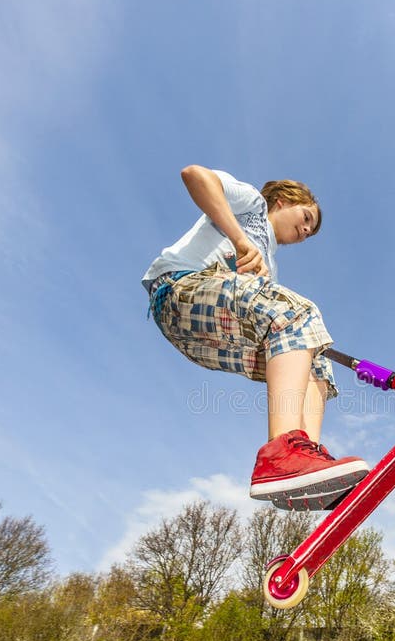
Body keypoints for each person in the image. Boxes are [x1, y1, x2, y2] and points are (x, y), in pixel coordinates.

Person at [142, 165, 368, 508]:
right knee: (300, 313)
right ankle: (283, 451)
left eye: (311, 230)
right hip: (180, 290)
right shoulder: (253, 206)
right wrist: (239, 237)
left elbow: (286, 338)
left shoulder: (270, 265)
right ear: (282, 201)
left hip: (202, 335)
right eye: (306, 217)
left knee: (315, 359)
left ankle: (307, 462)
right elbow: (194, 175)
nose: (306, 230)